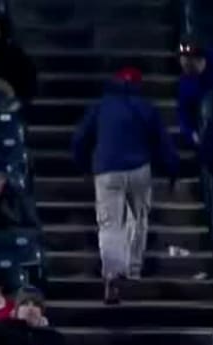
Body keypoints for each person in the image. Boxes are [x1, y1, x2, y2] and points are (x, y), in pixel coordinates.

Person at [72, 67, 179, 304]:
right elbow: (162, 142)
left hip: (107, 170)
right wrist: (172, 169)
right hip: (140, 169)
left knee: (111, 224)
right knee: (137, 219)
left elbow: (80, 138)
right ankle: (132, 269)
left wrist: (81, 165)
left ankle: (113, 273)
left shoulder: (101, 106)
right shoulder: (145, 107)